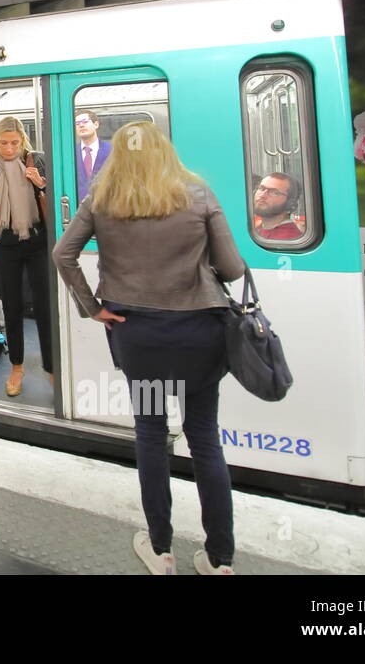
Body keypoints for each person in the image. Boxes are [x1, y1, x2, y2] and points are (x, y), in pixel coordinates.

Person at [52, 122, 245, 576]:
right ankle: (220, 559)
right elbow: (233, 269)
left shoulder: (102, 197)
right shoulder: (197, 194)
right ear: (164, 150)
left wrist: (93, 307)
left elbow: (63, 253)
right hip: (199, 332)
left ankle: (160, 551)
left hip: (141, 336)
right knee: (203, 438)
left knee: (152, 434)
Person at [0, 116, 53, 398]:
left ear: (22, 141)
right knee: (11, 306)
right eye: (2, 143)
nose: (9, 149)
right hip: (5, 241)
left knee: (45, 305)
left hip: (37, 240)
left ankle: (51, 365)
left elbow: (59, 196)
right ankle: (17, 366)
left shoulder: (39, 162)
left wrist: (41, 184)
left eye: (14, 143)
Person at [74, 108, 113, 199]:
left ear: (96, 124)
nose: (81, 125)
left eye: (85, 121)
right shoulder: (72, 153)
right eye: (77, 123)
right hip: (79, 208)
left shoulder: (112, 150)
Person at [252, 172, 304, 240]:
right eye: (261, 188)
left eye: (274, 193)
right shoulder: (256, 229)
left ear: (290, 203)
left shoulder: (290, 239)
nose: (262, 195)